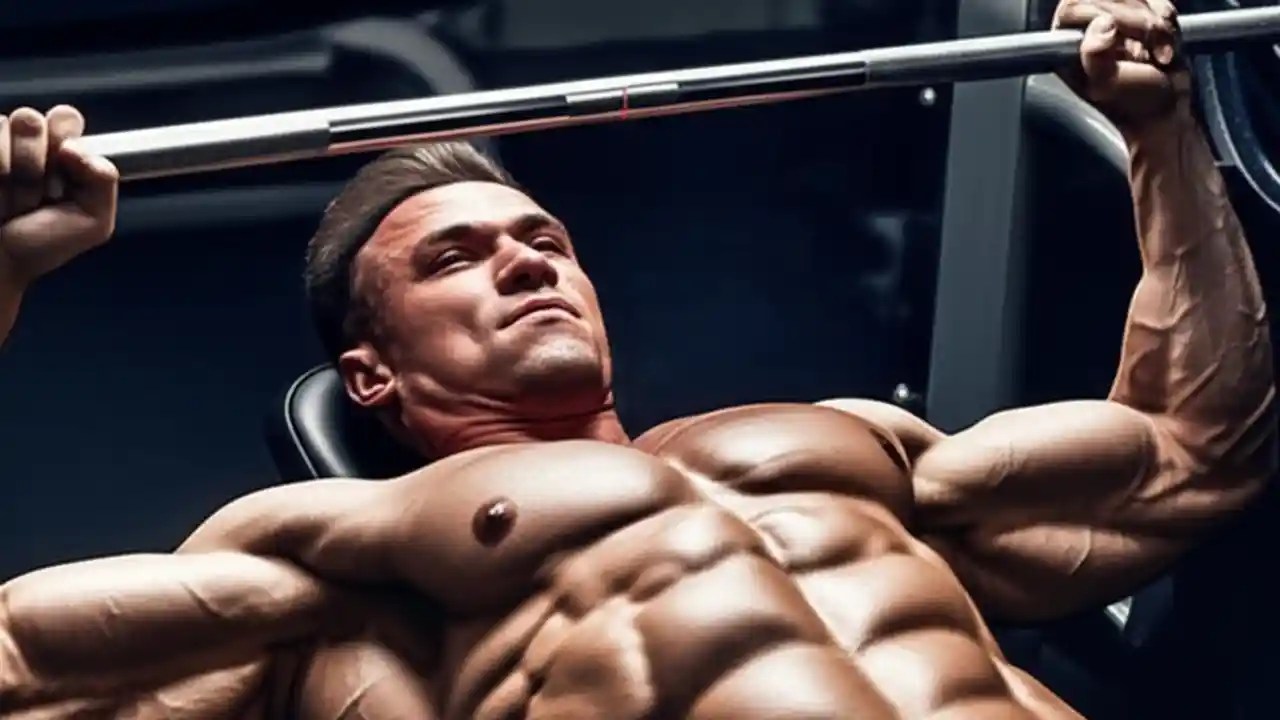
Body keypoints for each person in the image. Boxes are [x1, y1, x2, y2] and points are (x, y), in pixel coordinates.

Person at [1, 0, 1274, 717]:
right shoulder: (349, 551)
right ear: (370, 376)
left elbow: (1189, 453)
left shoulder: (846, 446)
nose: (524, 260)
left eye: (541, 236)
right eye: (452, 259)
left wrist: (1158, 131)